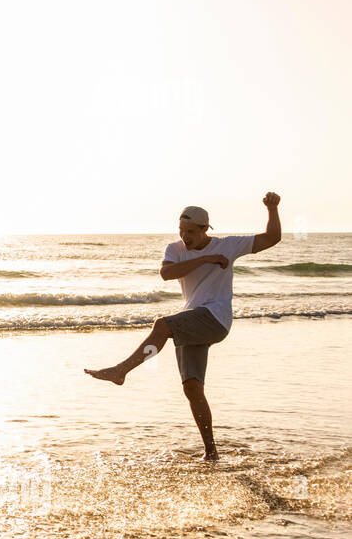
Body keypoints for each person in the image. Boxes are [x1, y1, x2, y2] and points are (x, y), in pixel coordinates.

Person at [84, 193, 283, 460]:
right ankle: (211, 451)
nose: (185, 236)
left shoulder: (229, 245)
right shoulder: (176, 249)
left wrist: (272, 208)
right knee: (192, 388)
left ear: (205, 229)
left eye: (190, 231)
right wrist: (205, 260)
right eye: (181, 231)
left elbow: (272, 238)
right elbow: (167, 273)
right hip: (193, 318)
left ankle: (121, 370)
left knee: (162, 325)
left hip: (216, 317)